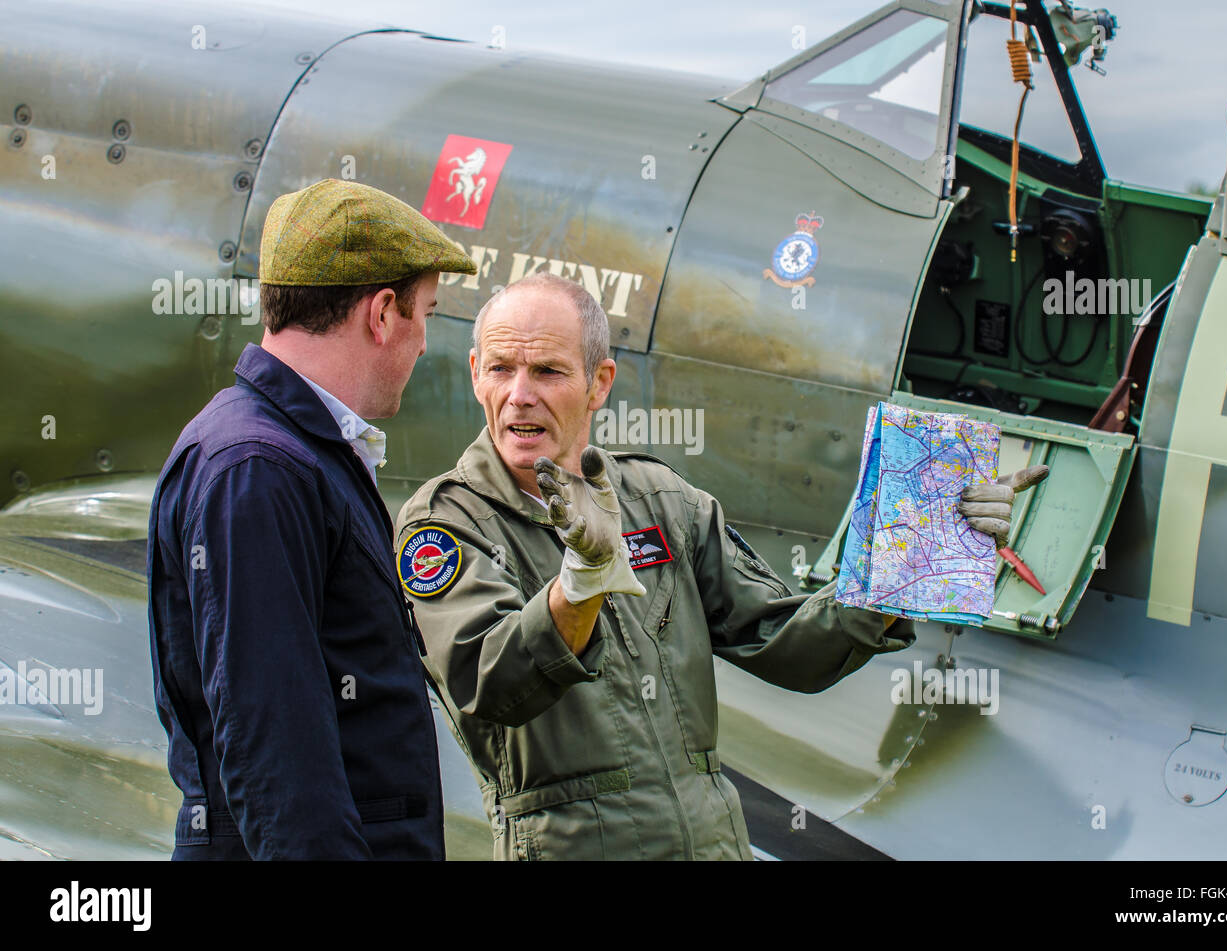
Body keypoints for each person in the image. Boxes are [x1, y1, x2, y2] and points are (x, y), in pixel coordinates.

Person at [395, 273, 1045, 860]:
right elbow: (494, 683)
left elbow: (788, 644)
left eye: (548, 371)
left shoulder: (662, 502)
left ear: (599, 383)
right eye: (501, 368)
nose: (519, 396)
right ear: (476, 371)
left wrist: (922, 552)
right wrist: (582, 581)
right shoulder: (446, 526)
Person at [147, 179, 476, 859]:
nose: (422, 345)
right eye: (427, 313)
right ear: (382, 313)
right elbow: (274, 746)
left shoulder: (286, 452)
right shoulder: (260, 469)